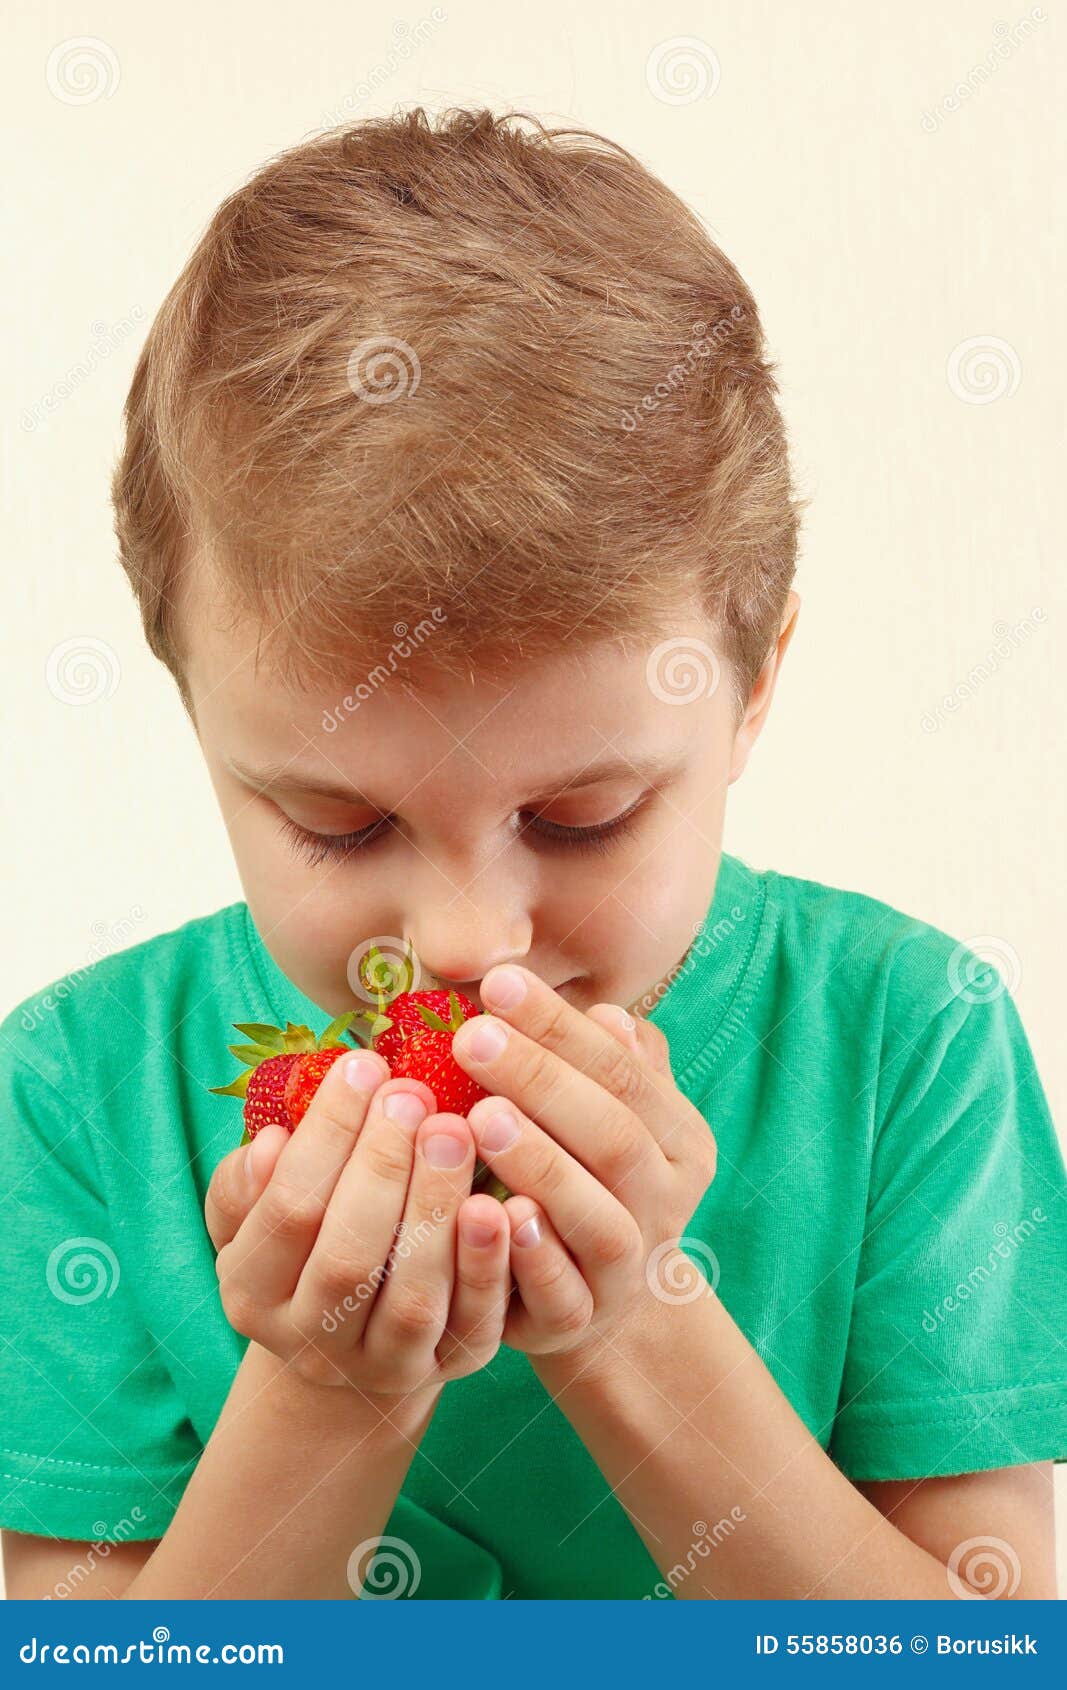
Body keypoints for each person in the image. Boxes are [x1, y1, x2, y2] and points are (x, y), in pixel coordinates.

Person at [2, 107, 1063, 1601]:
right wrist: (327, 1389)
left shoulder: (910, 1039)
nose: (466, 940)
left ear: (751, 691)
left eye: (580, 818)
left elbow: (977, 1642)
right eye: (339, 823)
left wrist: (631, 1320)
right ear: (196, 715)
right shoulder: (69, 1087)